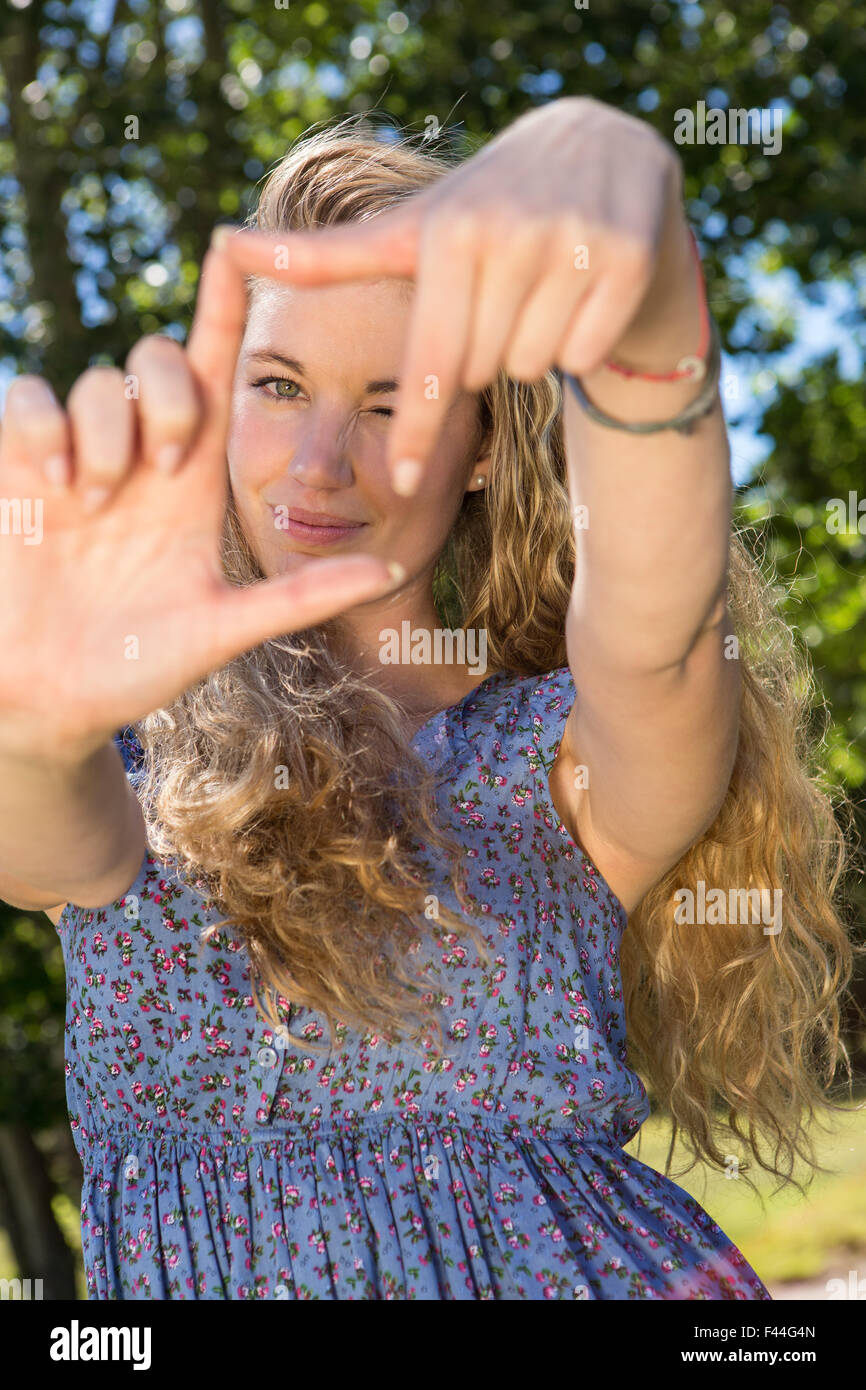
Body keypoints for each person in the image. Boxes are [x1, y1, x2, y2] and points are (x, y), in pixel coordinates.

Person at [0, 97, 855, 1300]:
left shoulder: (560, 760)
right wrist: (32, 721)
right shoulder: (130, 758)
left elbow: (660, 631)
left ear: (487, 444)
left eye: (392, 401)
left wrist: (647, 295)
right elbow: (43, 825)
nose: (316, 464)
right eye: (280, 385)